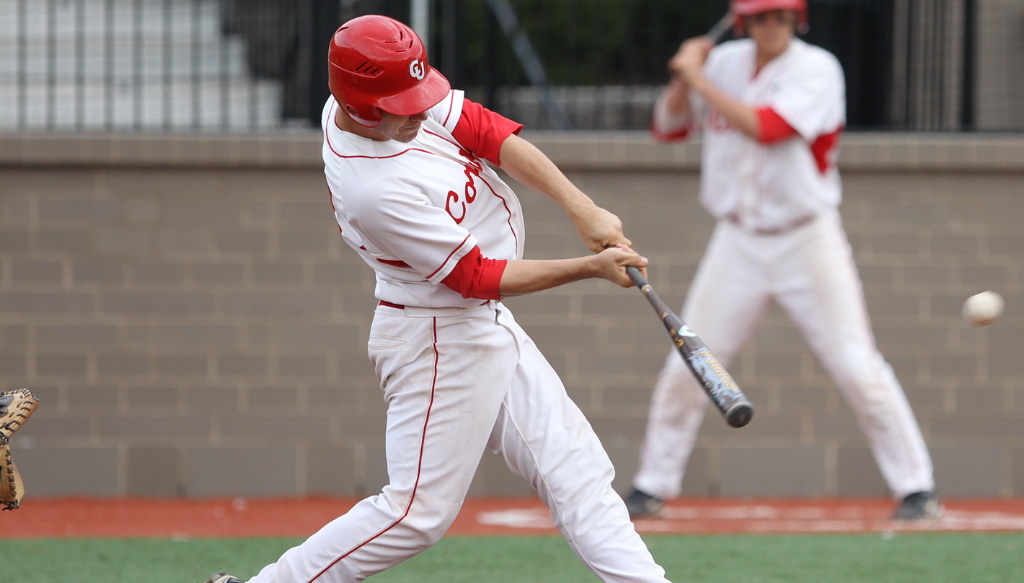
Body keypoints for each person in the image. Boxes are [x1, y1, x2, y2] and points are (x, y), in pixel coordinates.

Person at [207, 14, 673, 583]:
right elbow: (474, 276)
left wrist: (582, 208)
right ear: (359, 108)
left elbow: (485, 130)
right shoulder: (372, 188)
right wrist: (590, 269)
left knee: (576, 472)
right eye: (402, 106)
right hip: (438, 337)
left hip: (477, 322)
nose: (421, 112)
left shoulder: (376, 103)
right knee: (415, 514)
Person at [622, 0, 942, 522]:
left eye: (781, 17)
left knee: (857, 365)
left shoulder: (817, 67)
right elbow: (668, 127)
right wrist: (683, 77)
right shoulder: (723, 63)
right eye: (761, 17)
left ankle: (917, 487)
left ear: (796, 21)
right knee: (691, 361)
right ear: (744, 22)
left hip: (806, 238)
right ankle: (652, 484)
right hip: (737, 241)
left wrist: (699, 79)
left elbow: (768, 128)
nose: (772, 26)